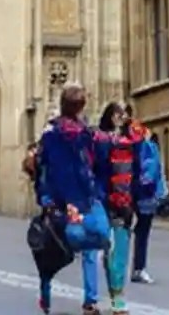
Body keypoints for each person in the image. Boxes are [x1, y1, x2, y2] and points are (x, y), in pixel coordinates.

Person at [33, 84, 110, 315]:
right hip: (80, 198)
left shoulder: (52, 135)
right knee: (91, 245)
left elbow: (41, 169)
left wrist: (45, 197)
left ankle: (46, 296)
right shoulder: (87, 135)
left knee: (51, 251)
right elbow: (98, 167)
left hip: (62, 200)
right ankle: (90, 301)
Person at [93, 102, 139, 315]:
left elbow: (138, 173)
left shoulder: (133, 142)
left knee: (119, 249)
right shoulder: (100, 141)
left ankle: (117, 295)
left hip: (124, 202)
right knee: (111, 249)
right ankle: (115, 294)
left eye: (124, 116)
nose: (121, 119)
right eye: (117, 115)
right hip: (106, 201)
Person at [128, 117, 167, 285]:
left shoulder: (130, 146)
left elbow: (154, 170)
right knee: (140, 231)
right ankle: (137, 268)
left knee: (132, 231)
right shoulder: (148, 147)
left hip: (134, 192)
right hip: (140, 193)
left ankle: (135, 268)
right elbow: (154, 171)